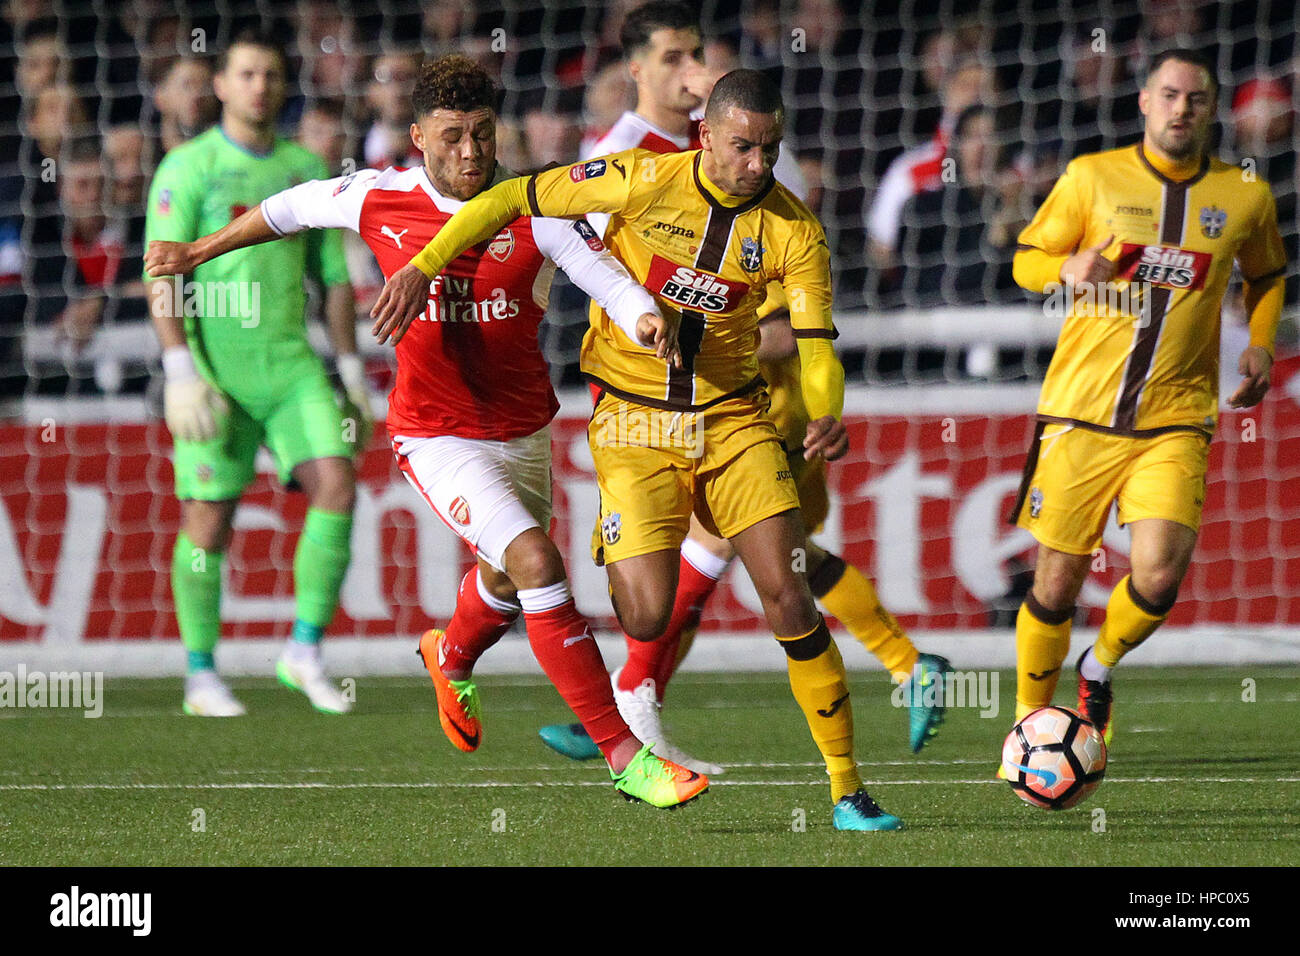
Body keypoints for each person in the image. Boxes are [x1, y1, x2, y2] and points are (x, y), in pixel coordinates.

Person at [146, 54, 708, 811]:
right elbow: (285, 210)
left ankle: (450, 652)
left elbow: (606, 277)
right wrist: (194, 253)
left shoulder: (536, 206)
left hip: (524, 427)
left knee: (508, 580)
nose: (470, 152)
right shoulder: (377, 197)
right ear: (417, 136)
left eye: (481, 134)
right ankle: (624, 755)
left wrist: (646, 321)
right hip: (435, 434)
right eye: (452, 137)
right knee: (536, 561)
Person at [373, 68, 907, 831]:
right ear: (707, 136)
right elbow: (507, 198)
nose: (759, 164)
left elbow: (819, 348)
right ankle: (580, 591)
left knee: (788, 592)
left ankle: (848, 788)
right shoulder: (637, 179)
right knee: (646, 617)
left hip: (733, 421)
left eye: (771, 149)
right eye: (743, 147)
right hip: (632, 422)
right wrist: (425, 265)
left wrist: (826, 411)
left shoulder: (794, 229)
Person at [540, 0, 952, 775]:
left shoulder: (752, 147)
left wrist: (776, 332)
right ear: (636, 70)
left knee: (749, 550)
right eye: (673, 58)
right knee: (750, 551)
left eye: (698, 53)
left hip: (760, 389)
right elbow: (578, 260)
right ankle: (901, 665)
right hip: (655, 395)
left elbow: (794, 255)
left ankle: (637, 695)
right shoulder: (625, 154)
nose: (693, 70)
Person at [1006, 48, 1286, 750]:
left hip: (1177, 416)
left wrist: (1260, 344)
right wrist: (1066, 266)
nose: (1180, 109)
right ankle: (1028, 726)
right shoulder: (1091, 177)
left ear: (1213, 108)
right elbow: (1024, 260)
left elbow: (1268, 275)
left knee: (1158, 575)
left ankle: (1097, 668)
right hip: (1081, 411)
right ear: (1143, 101)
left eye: (1194, 98)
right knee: (1057, 581)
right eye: (1168, 95)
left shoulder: (1244, 196)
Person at [143, 30, 366, 717]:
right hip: (215, 369)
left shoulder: (306, 167)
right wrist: (180, 367)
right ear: (221, 85)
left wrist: (351, 366)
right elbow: (162, 266)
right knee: (209, 518)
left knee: (337, 481)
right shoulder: (188, 166)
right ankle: (201, 674)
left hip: (290, 364)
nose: (259, 86)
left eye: (270, 74)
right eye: (245, 74)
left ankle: (302, 650)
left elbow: (331, 279)